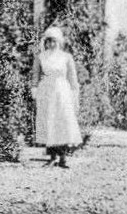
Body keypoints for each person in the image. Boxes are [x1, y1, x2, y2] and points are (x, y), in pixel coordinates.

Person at [32, 26, 82, 168]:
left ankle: (63, 158)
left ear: (59, 42)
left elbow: (72, 78)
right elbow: (35, 76)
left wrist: (74, 93)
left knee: (63, 122)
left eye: (54, 41)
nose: (52, 44)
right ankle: (52, 157)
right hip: (46, 91)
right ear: (45, 42)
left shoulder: (66, 57)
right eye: (49, 41)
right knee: (50, 122)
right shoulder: (41, 57)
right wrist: (34, 90)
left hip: (62, 92)